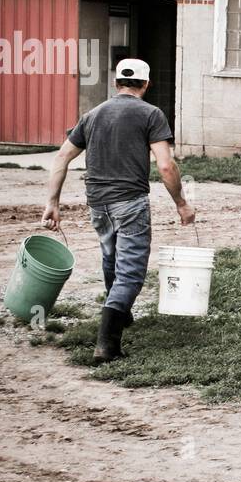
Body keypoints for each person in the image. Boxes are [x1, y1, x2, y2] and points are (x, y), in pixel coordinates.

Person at [42, 58, 195, 362]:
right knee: (130, 273)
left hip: (97, 203)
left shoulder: (92, 115)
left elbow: (61, 158)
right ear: (146, 84)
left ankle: (121, 315)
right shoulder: (151, 114)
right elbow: (166, 165)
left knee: (111, 258)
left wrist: (52, 203)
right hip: (130, 203)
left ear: (116, 83)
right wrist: (181, 203)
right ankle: (107, 345)